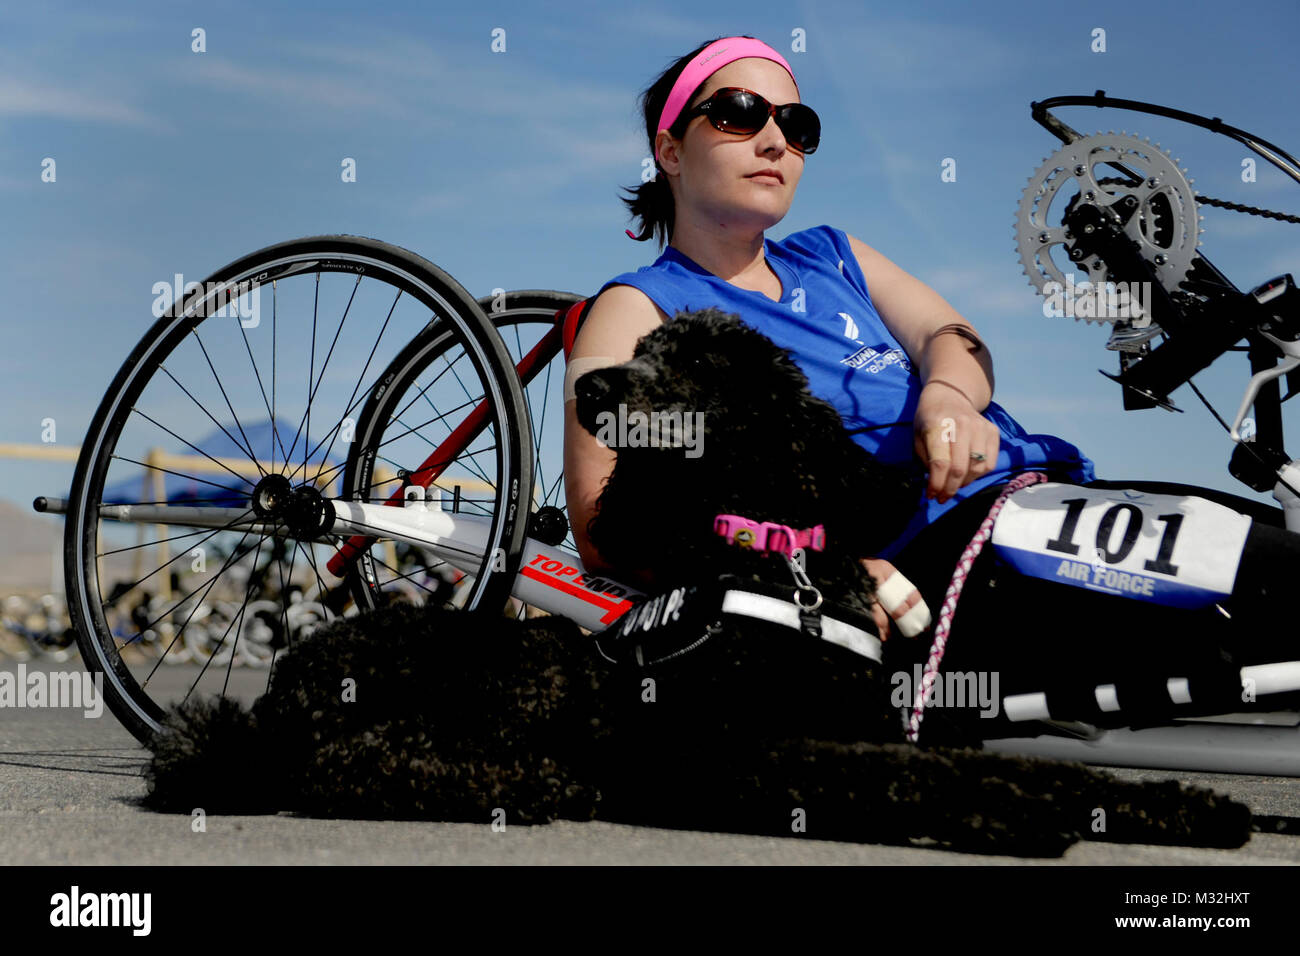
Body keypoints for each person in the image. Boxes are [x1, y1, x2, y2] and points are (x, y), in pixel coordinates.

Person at [562, 35, 1300, 720]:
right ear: (669, 149)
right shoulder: (631, 309)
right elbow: (605, 527)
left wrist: (946, 398)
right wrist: (819, 567)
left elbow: (956, 339)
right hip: (928, 558)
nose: (774, 139)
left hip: (1034, 503)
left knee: (1269, 555)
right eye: (738, 113)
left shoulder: (833, 255)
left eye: (796, 123)